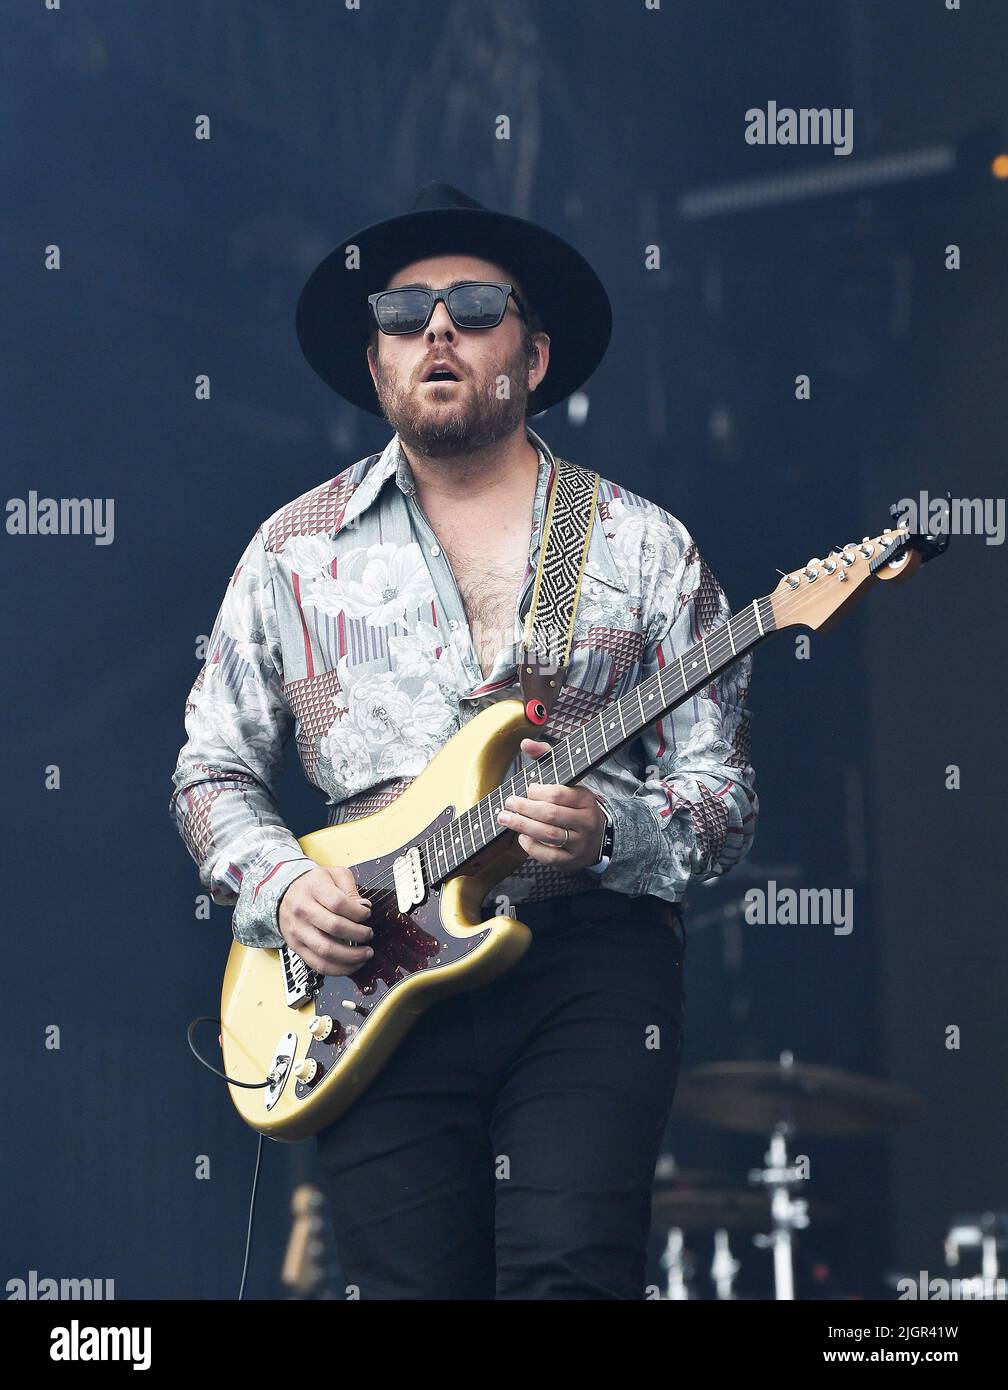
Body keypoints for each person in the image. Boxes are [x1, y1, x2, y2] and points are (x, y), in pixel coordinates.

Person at [169, 182, 758, 1299]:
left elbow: (722, 793)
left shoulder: (641, 542)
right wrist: (285, 885)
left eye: (476, 304)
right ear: (376, 362)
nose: (436, 327)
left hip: (584, 957)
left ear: (532, 358)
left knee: (569, 1274)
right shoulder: (294, 551)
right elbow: (214, 770)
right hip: (364, 973)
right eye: (403, 312)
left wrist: (614, 831)